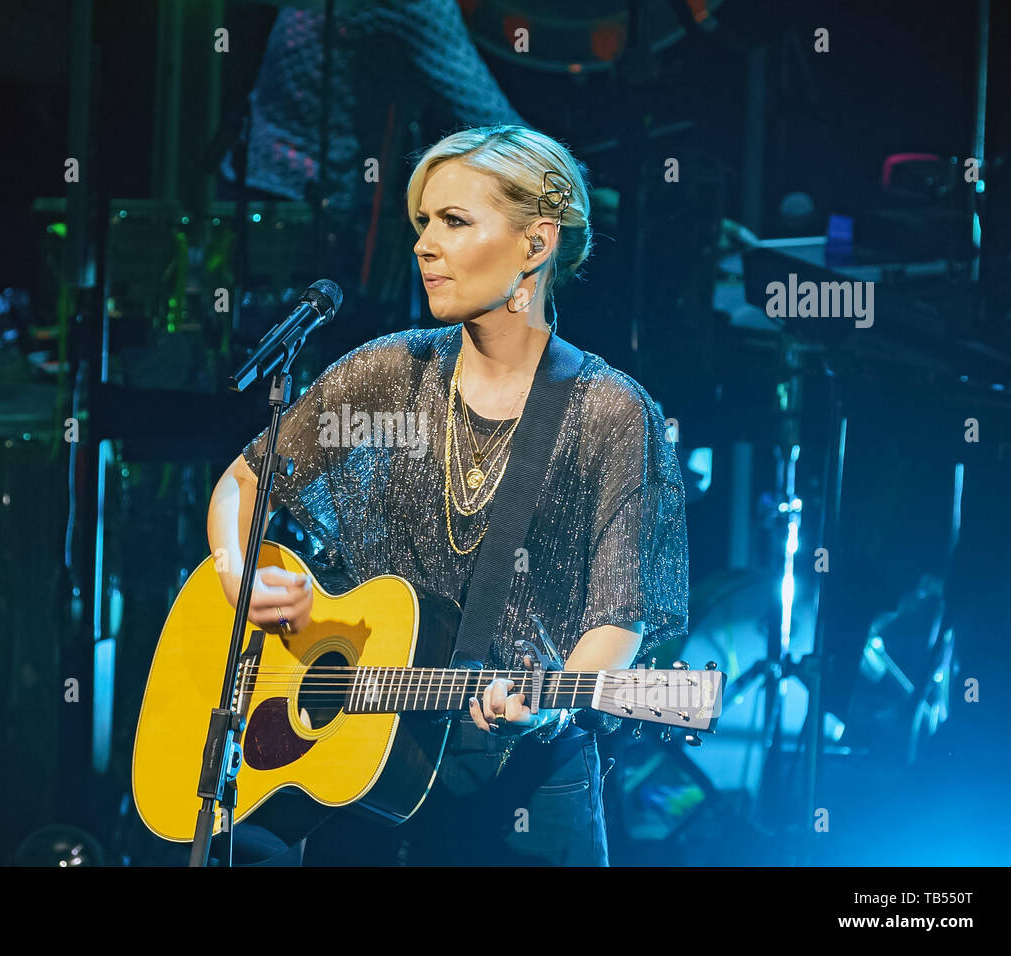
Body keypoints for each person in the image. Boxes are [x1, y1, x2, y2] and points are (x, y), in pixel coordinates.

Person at [206, 125, 688, 866]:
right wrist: (241, 579)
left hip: (526, 790)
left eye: (454, 222)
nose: (425, 244)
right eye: (423, 223)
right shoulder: (390, 373)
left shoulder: (610, 411)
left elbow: (622, 611)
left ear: (537, 244)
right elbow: (244, 482)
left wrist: (545, 702)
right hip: (362, 770)